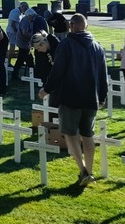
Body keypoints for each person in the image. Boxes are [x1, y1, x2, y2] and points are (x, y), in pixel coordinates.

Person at [38, 14, 108, 188]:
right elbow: (103, 75)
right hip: (91, 97)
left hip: (70, 96)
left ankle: (83, 170)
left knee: (70, 134)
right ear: (86, 26)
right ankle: (89, 171)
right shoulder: (97, 46)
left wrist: (46, 89)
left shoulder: (66, 44)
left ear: (70, 26)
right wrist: (103, 96)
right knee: (87, 134)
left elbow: (58, 70)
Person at [10, 2, 36, 80]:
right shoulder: (25, 20)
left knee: (28, 58)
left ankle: (33, 71)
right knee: (21, 58)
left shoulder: (28, 19)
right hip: (22, 41)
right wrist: (32, 38)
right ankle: (15, 75)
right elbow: (24, 32)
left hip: (25, 41)